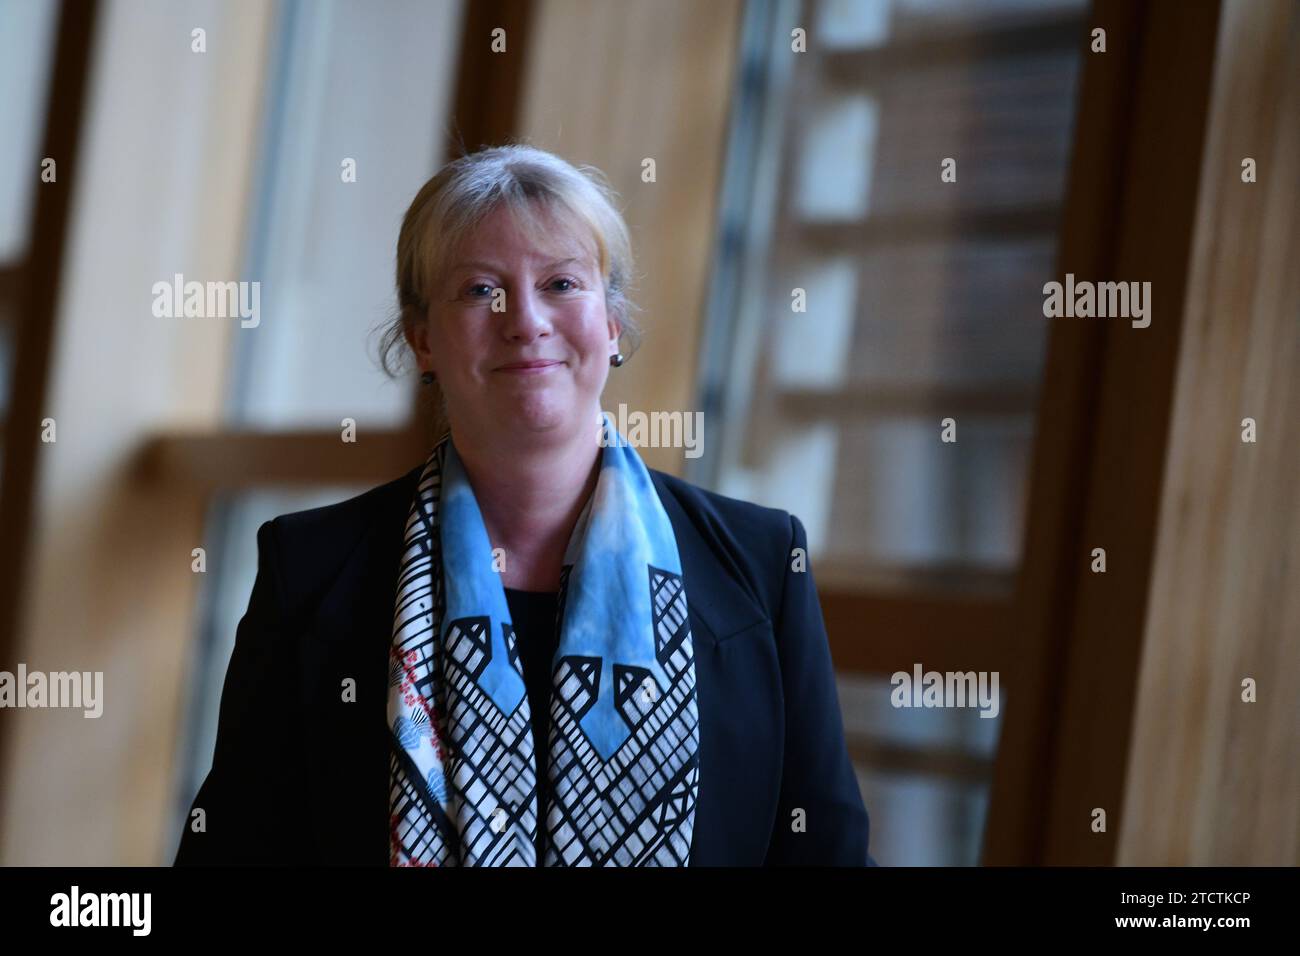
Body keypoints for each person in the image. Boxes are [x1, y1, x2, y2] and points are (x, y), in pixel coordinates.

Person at [174, 144, 872, 866]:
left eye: (563, 283)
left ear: (613, 324)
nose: (525, 320)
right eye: (480, 291)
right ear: (421, 340)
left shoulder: (760, 563)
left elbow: (827, 855)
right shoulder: (310, 568)